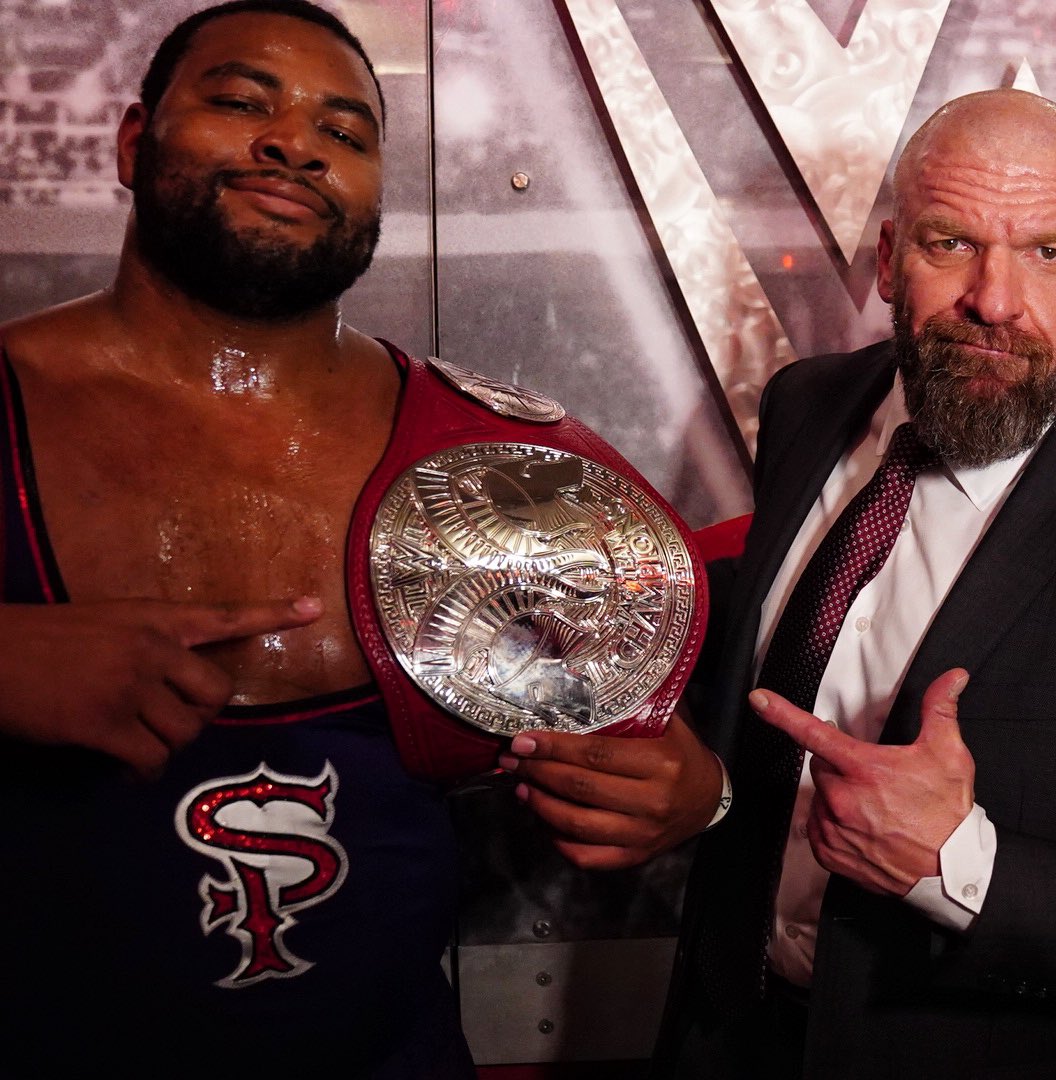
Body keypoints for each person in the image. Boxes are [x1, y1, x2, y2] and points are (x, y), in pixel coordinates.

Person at [0, 3, 720, 1075]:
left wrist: (697, 793)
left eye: (343, 133)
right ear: (133, 141)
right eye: (240, 102)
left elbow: (650, 758)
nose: (294, 144)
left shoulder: (493, 460)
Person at [646, 89, 1056, 1079]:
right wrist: (697, 788)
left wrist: (961, 869)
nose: (994, 301)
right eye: (951, 242)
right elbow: (781, 695)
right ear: (889, 258)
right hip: (721, 1044)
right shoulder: (809, 406)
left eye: (1047, 252)